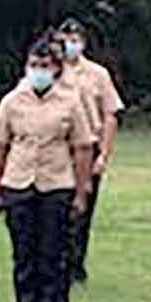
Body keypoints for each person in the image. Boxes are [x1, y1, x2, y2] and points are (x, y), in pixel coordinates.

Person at [0, 39, 93, 302]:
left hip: (55, 184)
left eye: (45, 66)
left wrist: (81, 191)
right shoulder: (12, 101)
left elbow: (82, 148)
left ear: (56, 69)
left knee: (52, 255)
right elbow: (0, 147)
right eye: (34, 66)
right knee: (23, 256)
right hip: (19, 183)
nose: (39, 72)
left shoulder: (70, 102)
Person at [54, 18, 124, 286]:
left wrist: (104, 153)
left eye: (75, 39)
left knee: (83, 207)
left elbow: (110, 114)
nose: (70, 44)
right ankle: (58, 261)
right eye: (65, 39)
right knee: (56, 204)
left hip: (89, 146)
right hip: (59, 146)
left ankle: (76, 263)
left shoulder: (98, 74)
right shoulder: (52, 70)